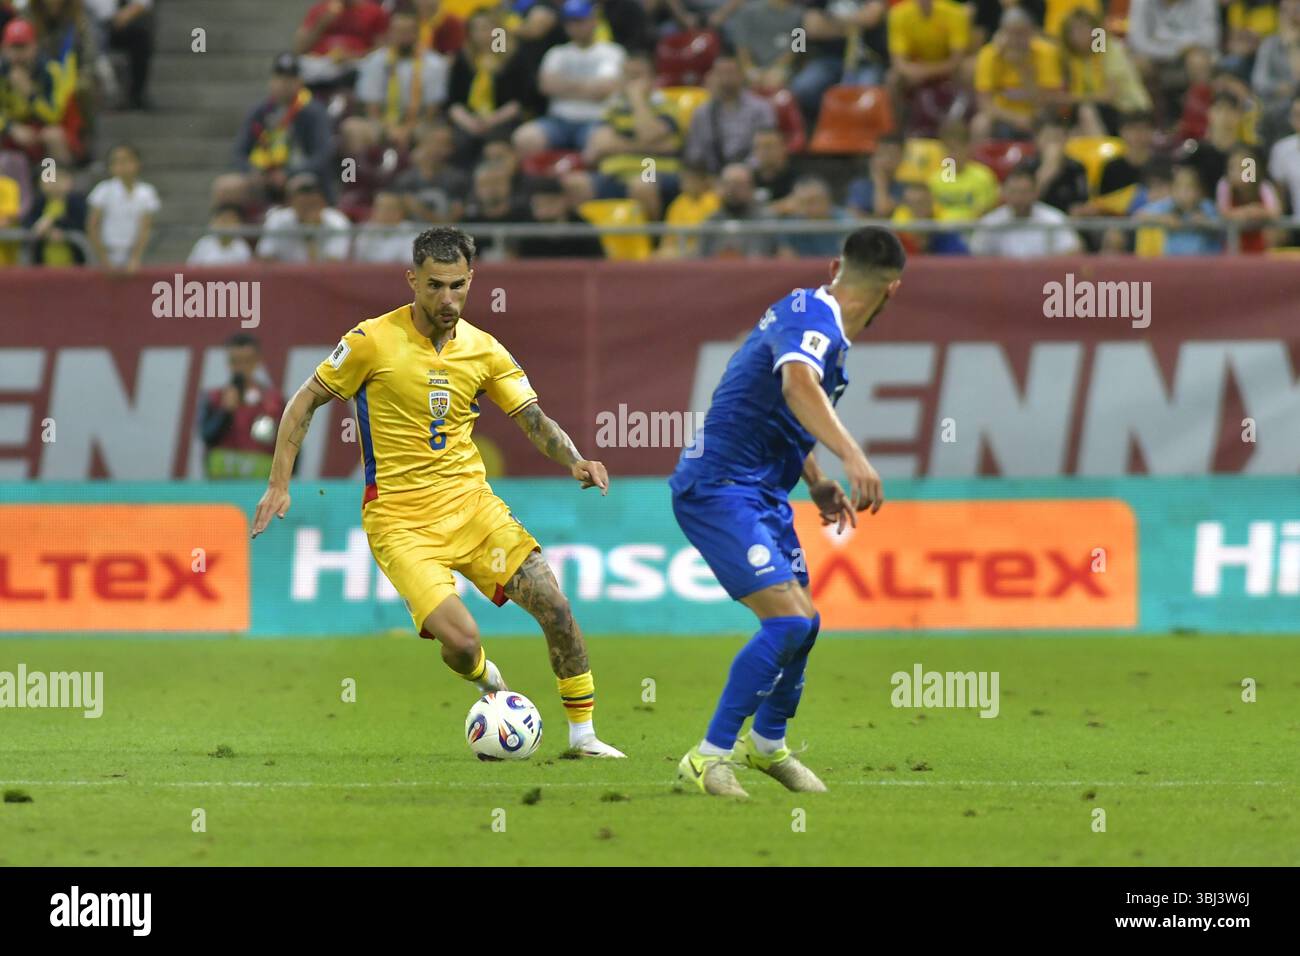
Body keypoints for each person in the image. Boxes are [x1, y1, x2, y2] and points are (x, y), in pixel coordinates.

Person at [251, 226, 626, 760]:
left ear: (471, 280)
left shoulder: (484, 350)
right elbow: (305, 401)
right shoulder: (369, 341)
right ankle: (487, 680)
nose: (447, 299)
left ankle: (584, 736)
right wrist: (279, 483)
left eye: (457, 286)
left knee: (556, 607)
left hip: (473, 509)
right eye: (434, 286)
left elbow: (532, 418)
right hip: (400, 523)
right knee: (464, 642)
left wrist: (576, 460)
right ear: (412, 280)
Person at [670, 226, 903, 798]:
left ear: (834, 266)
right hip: (719, 486)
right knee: (789, 622)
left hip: (762, 493)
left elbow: (780, 412)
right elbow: (798, 385)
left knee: (807, 624)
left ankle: (767, 744)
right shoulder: (810, 317)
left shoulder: (818, 328)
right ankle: (707, 757)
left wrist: (818, 480)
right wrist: (851, 456)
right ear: (891, 290)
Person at [511, 0, 626, 157]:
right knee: (524, 138)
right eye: (570, 22)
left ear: (594, 20)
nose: (575, 27)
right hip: (559, 120)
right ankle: (537, 181)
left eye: (580, 21)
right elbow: (546, 86)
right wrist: (588, 87)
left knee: (602, 144)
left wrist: (564, 86)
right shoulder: (556, 53)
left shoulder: (612, 52)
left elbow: (603, 90)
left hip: (596, 120)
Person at [220, 53, 335, 210]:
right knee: (226, 186)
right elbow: (238, 152)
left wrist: (289, 173)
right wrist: (253, 171)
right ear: (271, 81)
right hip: (263, 176)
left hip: (298, 175)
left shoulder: (313, 111)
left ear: (299, 82)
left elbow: (322, 155)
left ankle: (298, 233)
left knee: (299, 186)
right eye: (279, 78)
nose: (284, 83)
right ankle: (229, 232)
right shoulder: (260, 112)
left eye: (290, 78)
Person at [345, 9, 450, 155]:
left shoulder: (434, 64)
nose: (403, 36)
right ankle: (361, 175)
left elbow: (432, 110)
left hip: (419, 124)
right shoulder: (375, 61)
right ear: (390, 33)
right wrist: (390, 129)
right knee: (352, 128)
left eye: (408, 31)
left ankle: (421, 176)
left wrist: (407, 130)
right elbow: (372, 108)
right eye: (399, 31)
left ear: (417, 33)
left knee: (438, 135)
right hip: (381, 122)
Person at [199, 333, 287, 479]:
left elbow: (290, 443)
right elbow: (207, 436)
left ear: (257, 361)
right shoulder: (214, 398)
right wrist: (225, 412)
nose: (240, 368)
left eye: (247, 361)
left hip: (259, 485)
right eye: (235, 361)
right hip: (221, 484)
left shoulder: (274, 401)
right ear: (228, 362)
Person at [971, 7, 1066, 141]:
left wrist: (1022, 69)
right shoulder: (989, 55)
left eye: (1021, 34)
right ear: (1001, 33)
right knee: (980, 123)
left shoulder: (1047, 53)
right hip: (1002, 115)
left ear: (1031, 32)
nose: (1016, 40)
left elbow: (1048, 104)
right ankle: (978, 161)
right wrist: (1015, 118)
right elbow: (984, 104)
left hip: (1037, 116)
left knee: (1052, 129)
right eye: (1011, 33)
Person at [682, 50, 777, 173]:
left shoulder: (761, 108)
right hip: (712, 176)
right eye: (720, 73)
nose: (726, 79)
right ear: (712, 76)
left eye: (730, 72)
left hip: (751, 174)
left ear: (741, 75)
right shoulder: (702, 113)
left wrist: (742, 170)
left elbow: (767, 150)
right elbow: (695, 152)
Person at [968, 165, 1084, 257]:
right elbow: (978, 256)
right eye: (1014, 192)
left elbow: (1073, 251)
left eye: (1024, 192)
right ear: (1004, 193)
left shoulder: (1053, 219)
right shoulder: (991, 223)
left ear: (1036, 193)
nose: (1019, 198)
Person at [86, 142, 158, 271]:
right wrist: (103, 259)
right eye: (116, 161)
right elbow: (93, 226)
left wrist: (135, 258)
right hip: (107, 252)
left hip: (134, 254)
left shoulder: (146, 192)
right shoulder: (103, 190)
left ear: (137, 163)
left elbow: (145, 227)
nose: (122, 165)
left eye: (126, 160)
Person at [256, 172, 352, 263]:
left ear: (323, 202)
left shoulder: (337, 222)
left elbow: (335, 264)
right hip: (285, 277)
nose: (307, 204)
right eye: (302, 200)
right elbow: (265, 258)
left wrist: (313, 227)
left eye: (312, 202)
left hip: (326, 278)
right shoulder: (277, 220)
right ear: (290, 202)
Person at [1135, 162, 1222, 255]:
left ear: (1199, 190)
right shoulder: (1168, 204)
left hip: (1205, 263)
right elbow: (1138, 216)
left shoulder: (1206, 206)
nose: (1183, 192)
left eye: (1189, 187)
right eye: (1178, 187)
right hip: (1174, 263)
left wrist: (1205, 222)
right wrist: (1162, 219)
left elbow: (1222, 226)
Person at [515, 176, 605, 257]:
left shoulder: (582, 228)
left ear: (564, 201)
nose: (544, 208)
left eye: (550, 202)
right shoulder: (526, 231)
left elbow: (597, 264)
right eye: (538, 204)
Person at [1215, 143, 1282, 252]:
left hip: (1261, 245)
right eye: (1233, 168)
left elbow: (1275, 212)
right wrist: (1245, 212)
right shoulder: (1224, 185)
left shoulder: (1263, 186)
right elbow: (1222, 212)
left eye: (1243, 168)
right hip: (1234, 245)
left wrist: (1258, 211)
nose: (1238, 173)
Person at [353, 189, 423, 262]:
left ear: (400, 212)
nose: (382, 212)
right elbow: (358, 259)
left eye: (388, 208)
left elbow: (407, 265)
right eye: (379, 207)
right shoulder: (366, 230)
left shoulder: (410, 232)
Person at [188, 204, 254, 266]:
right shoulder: (204, 244)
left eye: (231, 221)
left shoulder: (241, 247)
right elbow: (188, 270)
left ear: (239, 224)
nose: (226, 225)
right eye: (223, 220)